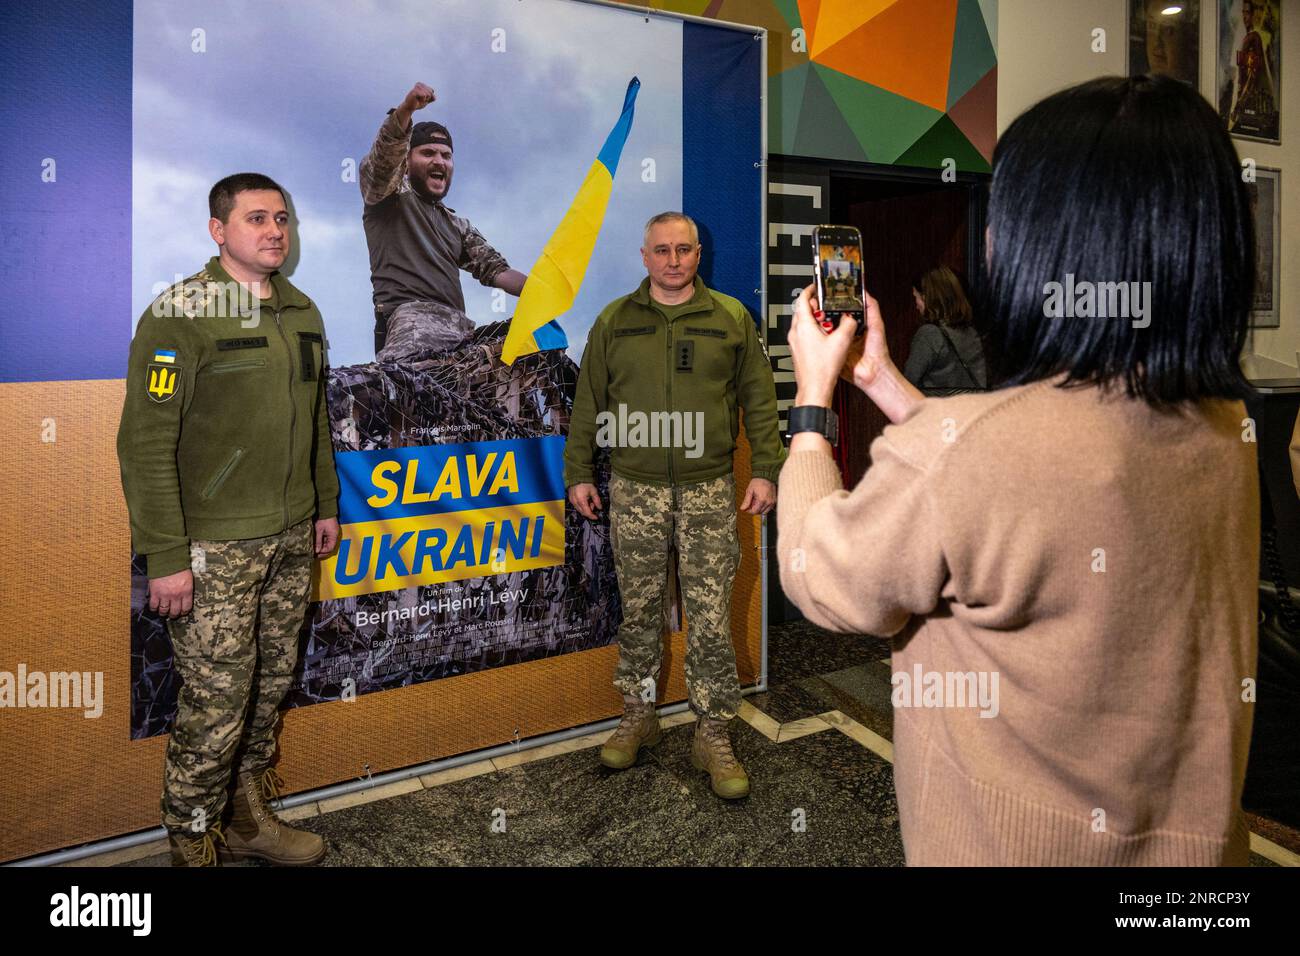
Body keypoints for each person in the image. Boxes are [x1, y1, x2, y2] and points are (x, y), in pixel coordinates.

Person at [778, 75, 1258, 865]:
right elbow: (1029, 473)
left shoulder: (970, 453)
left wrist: (812, 399)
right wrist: (883, 383)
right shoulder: (1222, 427)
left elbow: (818, 575)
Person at [117, 173, 341, 866]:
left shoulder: (302, 310)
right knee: (215, 708)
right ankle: (191, 842)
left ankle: (247, 821)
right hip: (212, 548)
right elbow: (145, 442)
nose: (275, 230)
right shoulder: (182, 312)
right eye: (256, 219)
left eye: (282, 218)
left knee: (268, 689)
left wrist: (324, 505)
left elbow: (317, 422)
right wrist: (166, 554)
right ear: (219, 231)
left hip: (290, 536)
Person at [564, 212, 785, 799]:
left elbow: (760, 401)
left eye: (683, 249)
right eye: (661, 250)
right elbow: (588, 403)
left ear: (697, 254)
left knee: (710, 618)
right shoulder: (614, 321)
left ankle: (712, 732)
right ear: (644, 257)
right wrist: (578, 472)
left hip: (709, 489)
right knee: (638, 610)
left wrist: (766, 468)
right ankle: (639, 714)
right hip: (634, 489)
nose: (673, 260)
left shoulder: (731, 318)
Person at [360, 81, 529, 360]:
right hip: (412, 327)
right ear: (407, 160)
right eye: (428, 153)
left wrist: (540, 292)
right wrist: (406, 109)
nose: (439, 161)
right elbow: (382, 163)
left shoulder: (457, 225)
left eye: (446, 156)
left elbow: (496, 270)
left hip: (460, 332)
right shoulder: (389, 198)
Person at [902, 266, 986, 394]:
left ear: (927, 298)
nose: (916, 305)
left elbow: (908, 384)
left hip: (941, 411)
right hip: (974, 408)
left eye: (916, 297)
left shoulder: (929, 334)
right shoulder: (972, 332)